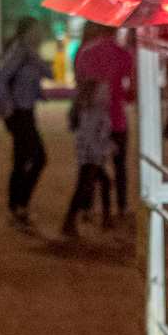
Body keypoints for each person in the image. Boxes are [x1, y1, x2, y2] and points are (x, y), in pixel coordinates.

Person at [0, 17, 49, 229]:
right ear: (28, 31)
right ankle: (19, 206)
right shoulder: (20, 51)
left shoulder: (28, 52)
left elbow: (48, 73)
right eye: (36, 30)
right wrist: (8, 106)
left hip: (26, 112)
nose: (40, 33)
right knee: (37, 158)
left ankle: (18, 207)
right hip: (19, 113)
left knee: (23, 159)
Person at [71, 23, 132, 219]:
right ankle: (120, 207)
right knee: (119, 165)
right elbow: (131, 90)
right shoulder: (123, 54)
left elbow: (79, 84)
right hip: (116, 117)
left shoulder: (85, 53)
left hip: (91, 118)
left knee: (91, 167)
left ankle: (87, 208)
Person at [60, 76, 116, 237]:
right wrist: (102, 151)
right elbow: (90, 137)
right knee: (83, 188)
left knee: (101, 183)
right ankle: (69, 222)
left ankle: (105, 219)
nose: (107, 94)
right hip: (91, 157)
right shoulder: (92, 112)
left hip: (91, 156)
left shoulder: (95, 110)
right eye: (104, 92)